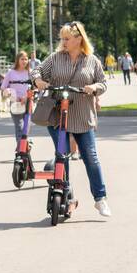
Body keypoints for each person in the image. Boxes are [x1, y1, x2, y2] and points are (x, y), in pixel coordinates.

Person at [32, 21, 111, 217]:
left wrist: (94, 88)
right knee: (62, 156)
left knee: (91, 157)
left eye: (67, 38)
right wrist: (38, 80)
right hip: (58, 115)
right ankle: (65, 193)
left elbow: (103, 82)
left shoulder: (91, 60)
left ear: (78, 39)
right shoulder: (55, 58)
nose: (63, 42)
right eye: (62, 39)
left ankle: (100, 199)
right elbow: (36, 70)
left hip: (83, 117)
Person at [0, 51, 34, 147]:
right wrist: (10, 93)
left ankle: (25, 143)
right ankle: (20, 148)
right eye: (22, 59)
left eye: (26, 59)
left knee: (26, 126)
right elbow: (3, 87)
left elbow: (34, 87)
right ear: (17, 60)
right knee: (19, 126)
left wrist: (26, 97)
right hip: (15, 103)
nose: (24, 61)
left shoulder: (30, 72)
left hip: (28, 102)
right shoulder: (11, 73)